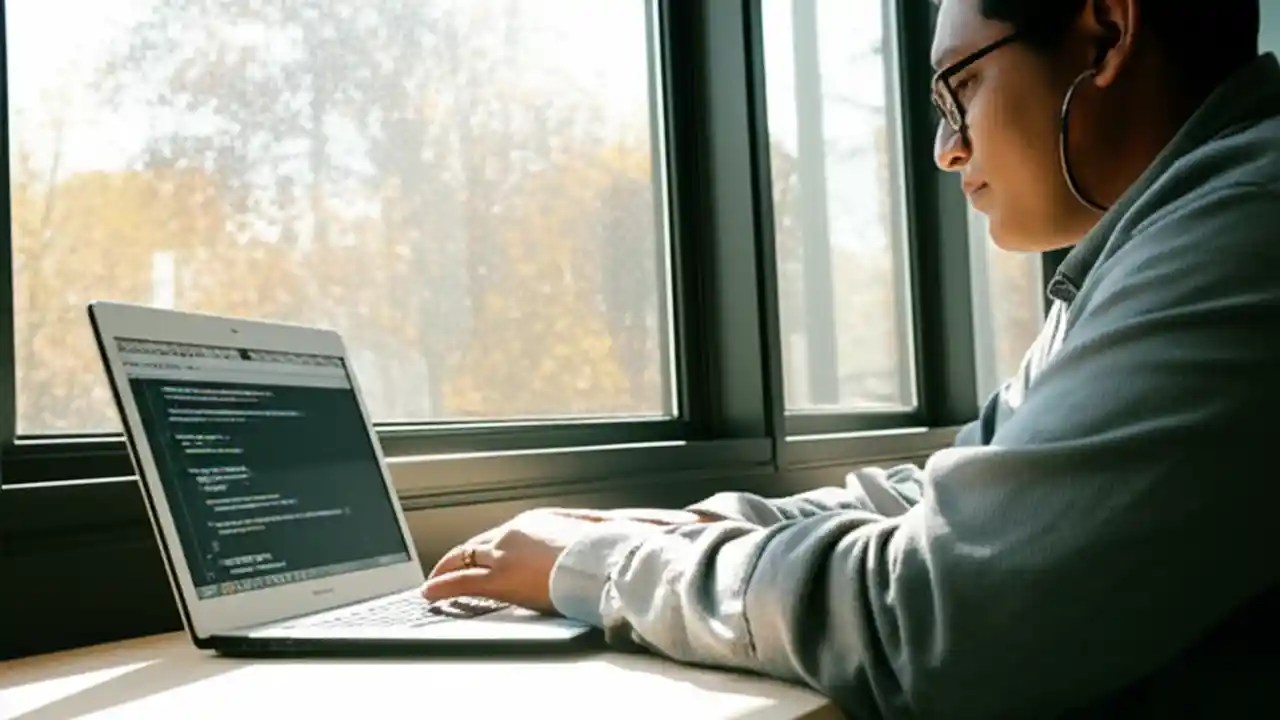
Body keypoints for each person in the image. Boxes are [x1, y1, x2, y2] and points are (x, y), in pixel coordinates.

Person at [423, 0, 1280, 716]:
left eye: (961, 86)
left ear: (1107, 33)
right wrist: (675, 528)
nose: (948, 148)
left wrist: (605, 569)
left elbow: (942, 612)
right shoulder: (1157, 245)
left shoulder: (1245, 235)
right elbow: (947, 487)